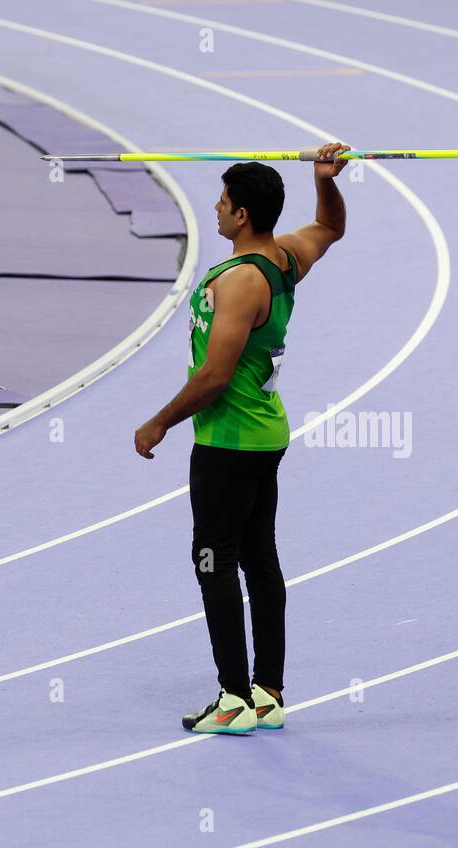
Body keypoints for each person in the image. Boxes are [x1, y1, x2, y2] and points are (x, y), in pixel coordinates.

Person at [133, 142, 350, 734]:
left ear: (242, 215)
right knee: (259, 559)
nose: (217, 208)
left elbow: (215, 375)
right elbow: (330, 225)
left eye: (224, 202)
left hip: (228, 442)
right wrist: (325, 179)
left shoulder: (240, 283)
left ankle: (233, 699)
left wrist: (159, 422)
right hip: (266, 433)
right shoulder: (286, 258)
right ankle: (268, 692)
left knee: (213, 562)